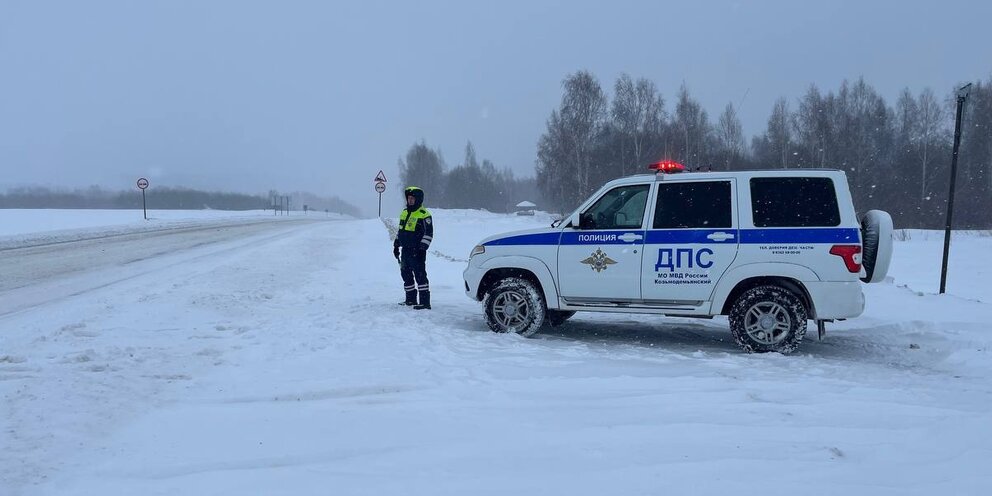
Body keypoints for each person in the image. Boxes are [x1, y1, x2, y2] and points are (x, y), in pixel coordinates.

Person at [393, 186, 433, 310]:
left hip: (417, 251)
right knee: (406, 275)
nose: (410, 200)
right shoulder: (404, 212)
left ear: (418, 200)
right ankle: (410, 299)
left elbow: (428, 234)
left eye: (412, 198)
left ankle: (425, 302)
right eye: (409, 198)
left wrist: (422, 249)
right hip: (405, 250)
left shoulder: (424, 214)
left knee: (420, 276)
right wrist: (396, 244)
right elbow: (401, 230)